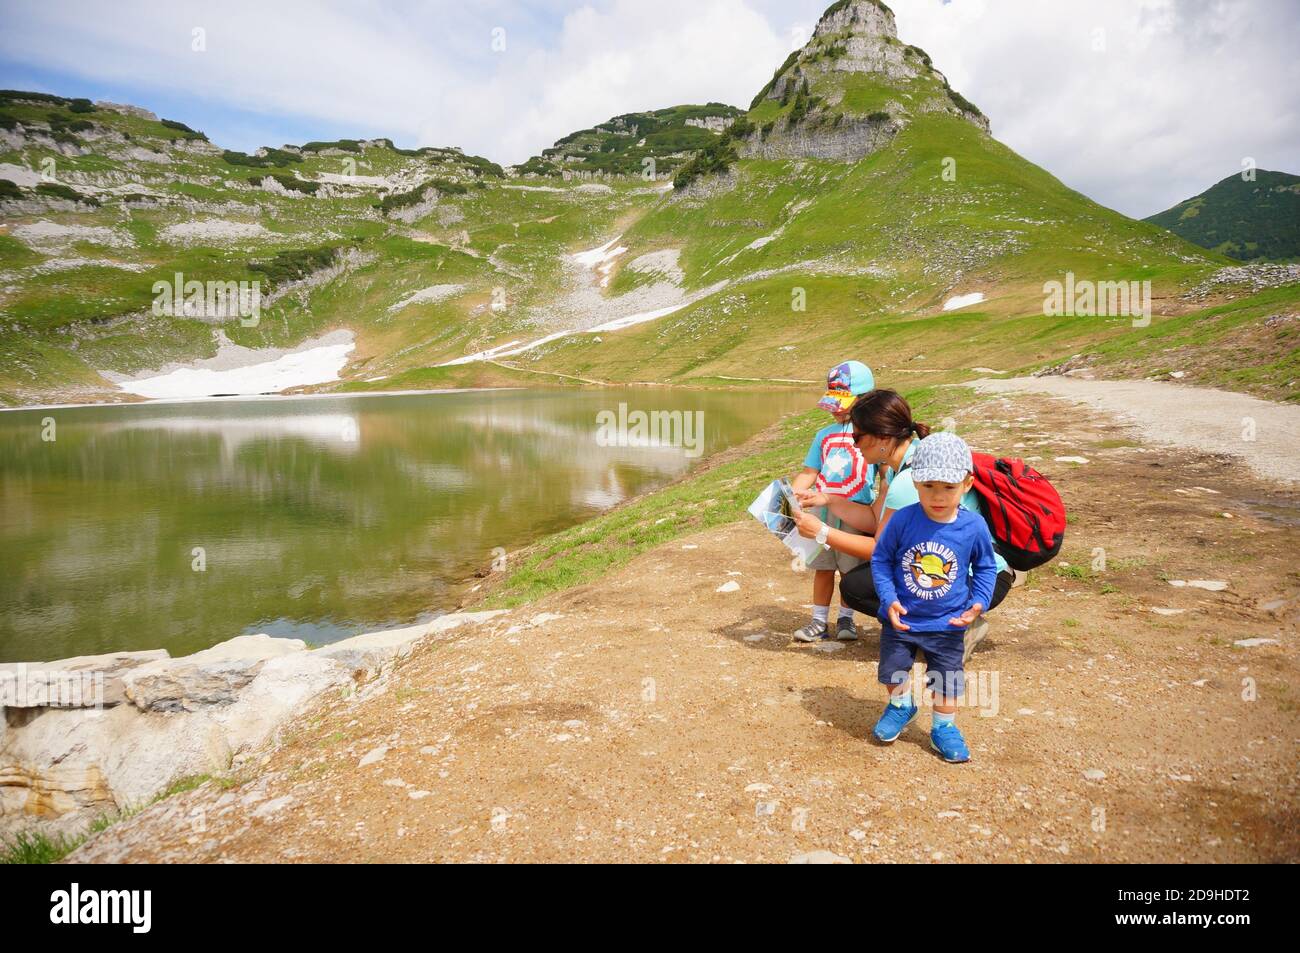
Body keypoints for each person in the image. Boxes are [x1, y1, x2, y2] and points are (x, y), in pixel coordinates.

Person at [828, 389, 1016, 662]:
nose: (854, 445)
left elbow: (879, 549)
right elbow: (874, 518)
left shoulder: (911, 481)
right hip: (982, 567)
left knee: (856, 587)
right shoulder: (910, 461)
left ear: (882, 437)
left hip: (974, 578)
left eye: (858, 437)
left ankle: (945, 630)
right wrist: (829, 500)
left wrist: (821, 532)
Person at [868, 432, 998, 763]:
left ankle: (944, 727)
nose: (938, 496)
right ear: (915, 482)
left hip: (948, 621)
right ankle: (901, 705)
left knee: (947, 678)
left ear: (967, 484)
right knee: (893, 671)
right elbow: (881, 560)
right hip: (901, 618)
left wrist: (978, 602)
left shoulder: (974, 527)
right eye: (929, 487)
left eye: (948, 488)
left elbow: (985, 568)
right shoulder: (901, 520)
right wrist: (888, 598)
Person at [788, 361, 877, 643]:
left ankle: (846, 620)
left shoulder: (874, 436)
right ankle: (818, 621)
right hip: (820, 513)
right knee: (823, 568)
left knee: (850, 572)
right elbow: (809, 472)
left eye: (843, 403)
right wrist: (791, 499)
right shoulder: (822, 436)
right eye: (833, 403)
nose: (836, 409)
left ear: (865, 400)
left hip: (855, 515)